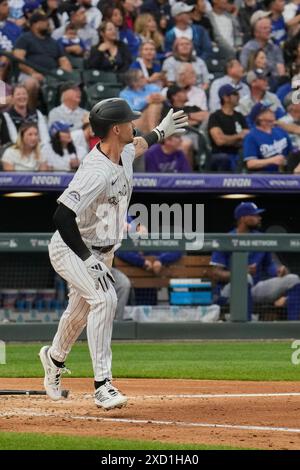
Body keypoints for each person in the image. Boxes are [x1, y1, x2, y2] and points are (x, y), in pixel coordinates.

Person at [39, 97, 188, 409]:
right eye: (129, 121)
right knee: (105, 299)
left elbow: (142, 143)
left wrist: (161, 131)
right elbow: (62, 216)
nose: (134, 124)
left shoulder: (124, 149)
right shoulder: (94, 171)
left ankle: (53, 359)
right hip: (72, 247)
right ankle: (102, 384)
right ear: (116, 129)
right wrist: (88, 258)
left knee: (79, 315)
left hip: (102, 250)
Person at [210, 202, 300, 315]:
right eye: (255, 215)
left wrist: (278, 270)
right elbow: (215, 273)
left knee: (293, 279)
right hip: (230, 289)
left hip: (256, 288)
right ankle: (246, 327)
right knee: (245, 278)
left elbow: (269, 265)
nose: (259, 217)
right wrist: (240, 273)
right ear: (243, 218)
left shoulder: (261, 238)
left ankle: (294, 328)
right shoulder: (226, 239)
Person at [14, 11, 72, 108]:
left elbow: (64, 61)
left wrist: (64, 73)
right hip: (30, 74)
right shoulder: (25, 38)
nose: (47, 23)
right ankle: (32, 113)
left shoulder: (53, 42)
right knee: (31, 84)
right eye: (44, 21)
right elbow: (19, 59)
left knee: (71, 85)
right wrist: (32, 73)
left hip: (52, 75)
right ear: (34, 24)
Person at [207, 84, 249, 171]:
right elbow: (219, 141)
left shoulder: (240, 116)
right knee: (224, 159)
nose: (238, 96)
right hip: (220, 154)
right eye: (235, 94)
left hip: (239, 153)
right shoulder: (215, 116)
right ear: (226, 98)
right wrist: (238, 136)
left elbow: (247, 138)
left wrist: (229, 139)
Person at [243, 103, 292, 172]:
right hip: (263, 176)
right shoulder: (251, 136)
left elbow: (291, 152)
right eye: (268, 111)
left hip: (285, 174)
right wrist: (271, 160)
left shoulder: (280, 131)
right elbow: (250, 163)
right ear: (259, 117)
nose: (272, 112)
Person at [240, 10, 286, 78]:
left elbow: (281, 71)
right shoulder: (248, 49)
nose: (269, 30)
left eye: (269, 27)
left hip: (275, 83)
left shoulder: (275, 48)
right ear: (256, 33)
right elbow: (244, 72)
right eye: (265, 28)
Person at [120, 69, 164, 133]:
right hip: (136, 120)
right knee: (153, 106)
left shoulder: (152, 87)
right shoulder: (124, 94)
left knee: (154, 105)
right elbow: (131, 110)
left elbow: (162, 98)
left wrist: (160, 98)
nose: (146, 78)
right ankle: (154, 135)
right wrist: (146, 101)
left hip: (155, 116)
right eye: (142, 77)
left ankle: (153, 134)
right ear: (134, 82)